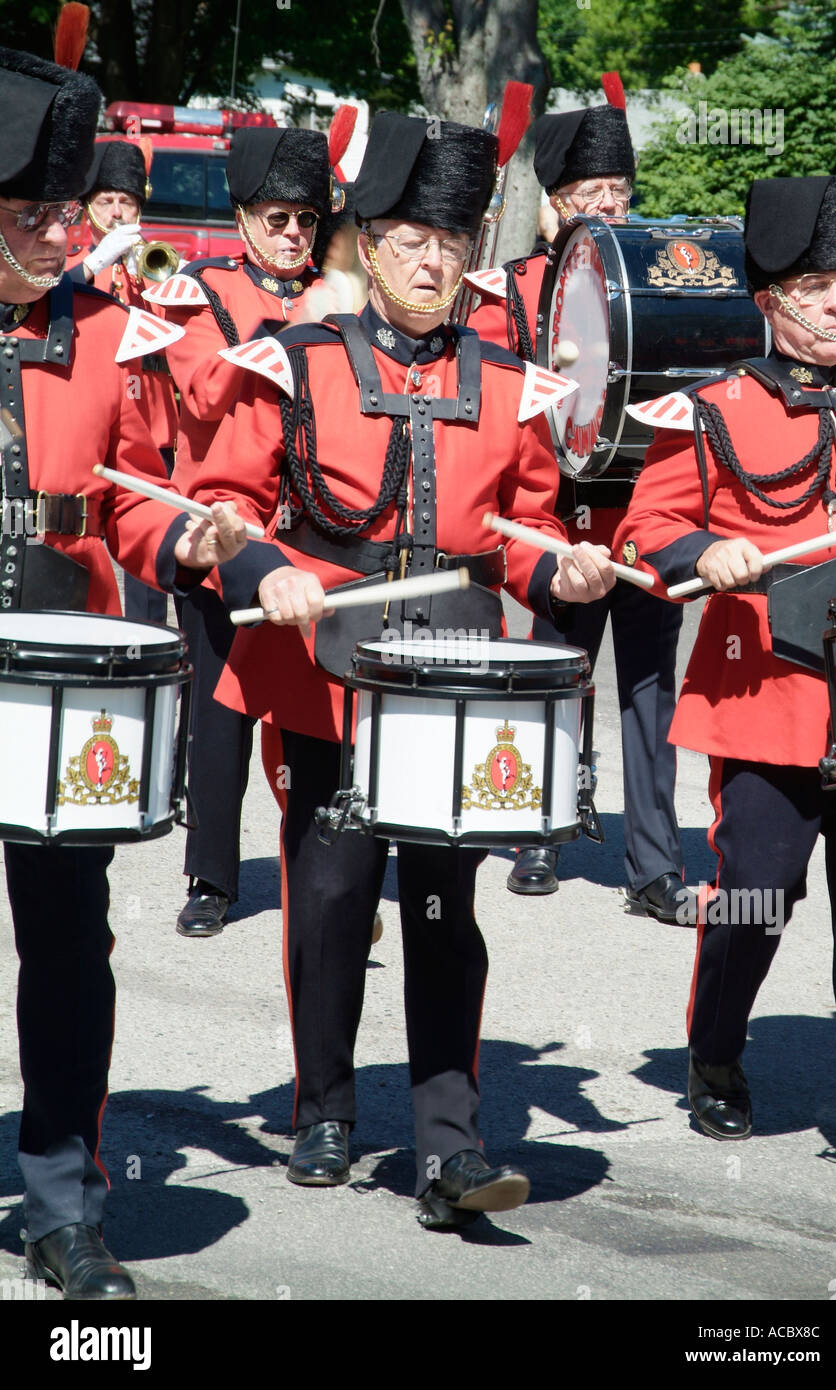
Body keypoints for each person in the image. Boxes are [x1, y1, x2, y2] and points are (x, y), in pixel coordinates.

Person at [190, 111, 616, 1229]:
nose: (437, 260)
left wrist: (558, 567)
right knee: (329, 901)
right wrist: (269, 564)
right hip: (321, 670)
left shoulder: (513, 379)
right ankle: (324, 1103)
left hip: (451, 684)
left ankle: (449, 1145)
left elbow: (518, 526)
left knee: (442, 906)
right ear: (367, 244)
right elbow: (227, 504)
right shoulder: (295, 360)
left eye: (457, 237)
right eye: (414, 238)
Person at [0, 43, 246, 1299]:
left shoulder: (108, 332)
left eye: (64, 210)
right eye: (32, 213)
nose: (60, 235)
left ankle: (62, 1201)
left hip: (62, 679)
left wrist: (190, 533)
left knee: (66, 949)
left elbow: (140, 500)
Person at [612, 173, 836, 1190]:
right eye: (822, 284)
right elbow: (648, 524)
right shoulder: (711, 409)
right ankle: (716, 1045)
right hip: (768, 696)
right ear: (773, 300)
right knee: (757, 896)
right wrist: (705, 551)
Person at [468, 85, 686, 921]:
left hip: (641, 512)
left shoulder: (654, 277)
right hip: (556, 514)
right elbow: (487, 399)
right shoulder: (509, 288)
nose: (607, 207)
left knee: (651, 690)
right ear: (554, 207)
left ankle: (654, 867)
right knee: (555, 677)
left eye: (618, 194)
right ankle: (537, 834)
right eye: (589, 196)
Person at [155, 119, 353, 937]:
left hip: (305, 526)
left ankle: (324, 864)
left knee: (311, 706)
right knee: (219, 709)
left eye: (306, 220)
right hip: (219, 524)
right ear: (243, 218)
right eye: (278, 218)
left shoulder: (334, 294)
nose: (293, 234)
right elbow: (199, 389)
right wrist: (310, 317)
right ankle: (212, 875)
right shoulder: (200, 288)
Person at [66, 137, 180, 623]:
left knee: (148, 550)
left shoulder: (155, 260)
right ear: (88, 206)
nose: (116, 212)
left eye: (126, 201)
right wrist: (97, 263)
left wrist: (160, 286)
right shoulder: (73, 262)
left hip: (155, 424)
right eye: (106, 200)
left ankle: (146, 637)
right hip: (98, 423)